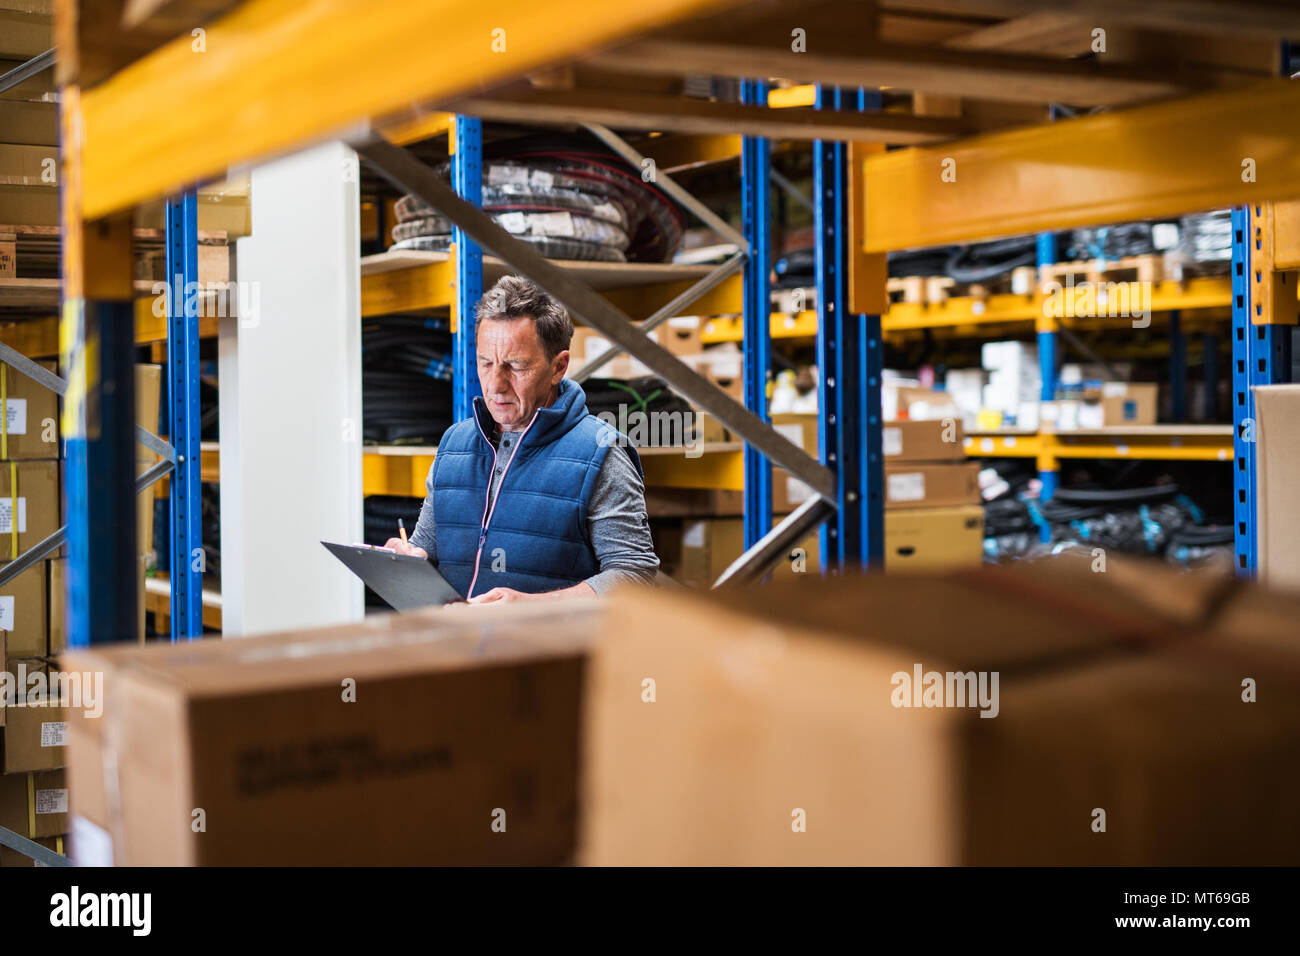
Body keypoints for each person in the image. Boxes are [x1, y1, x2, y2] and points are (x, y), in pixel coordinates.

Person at [385, 275, 659, 603]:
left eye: (515, 366)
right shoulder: (454, 444)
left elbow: (634, 573)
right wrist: (407, 557)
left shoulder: (600, 452)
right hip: (458, 649)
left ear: (559, 367)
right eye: (485, 363)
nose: (495, 384)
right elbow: (427, 549)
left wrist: (531, 607)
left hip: (548, 653)